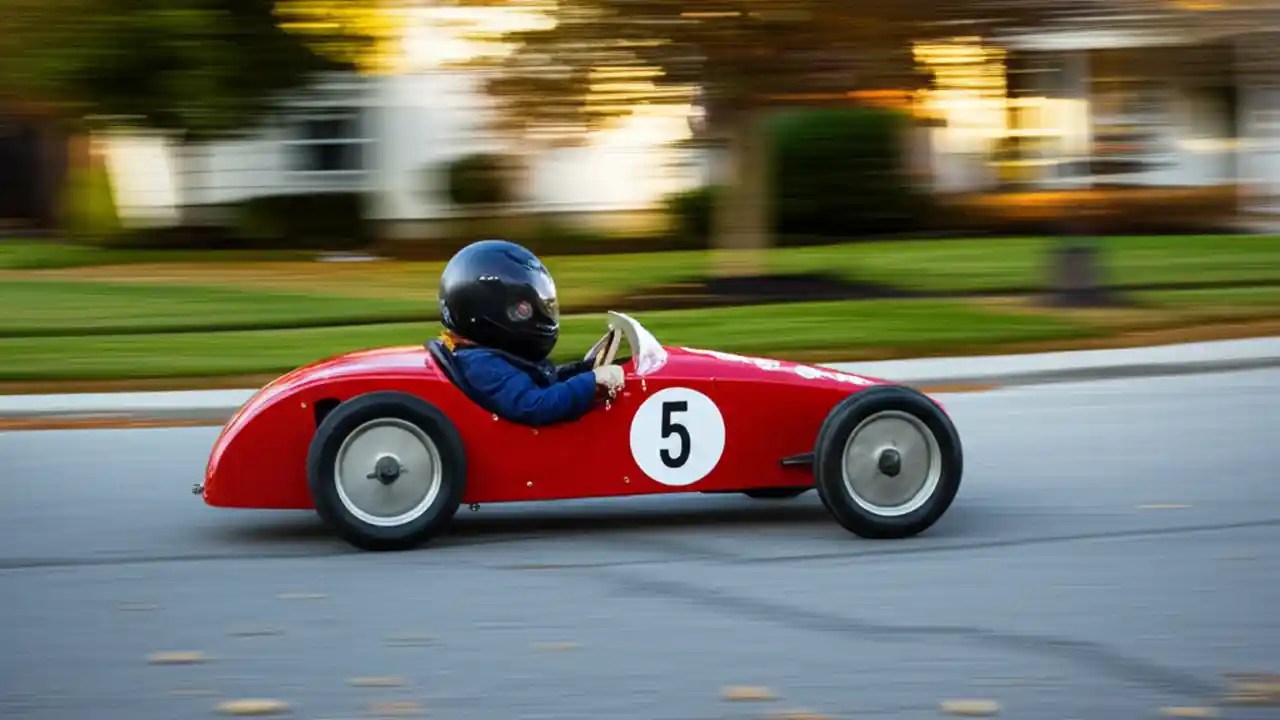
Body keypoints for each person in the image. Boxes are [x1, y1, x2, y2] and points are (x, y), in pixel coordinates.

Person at [435, 239, 625, 426]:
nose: (536, 314)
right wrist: (591, 382)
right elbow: (536, 406)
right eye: (521, 310)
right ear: (486, 312)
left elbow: (544, 379)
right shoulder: (483, 365)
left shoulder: (488, 355)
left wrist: (585, 369)